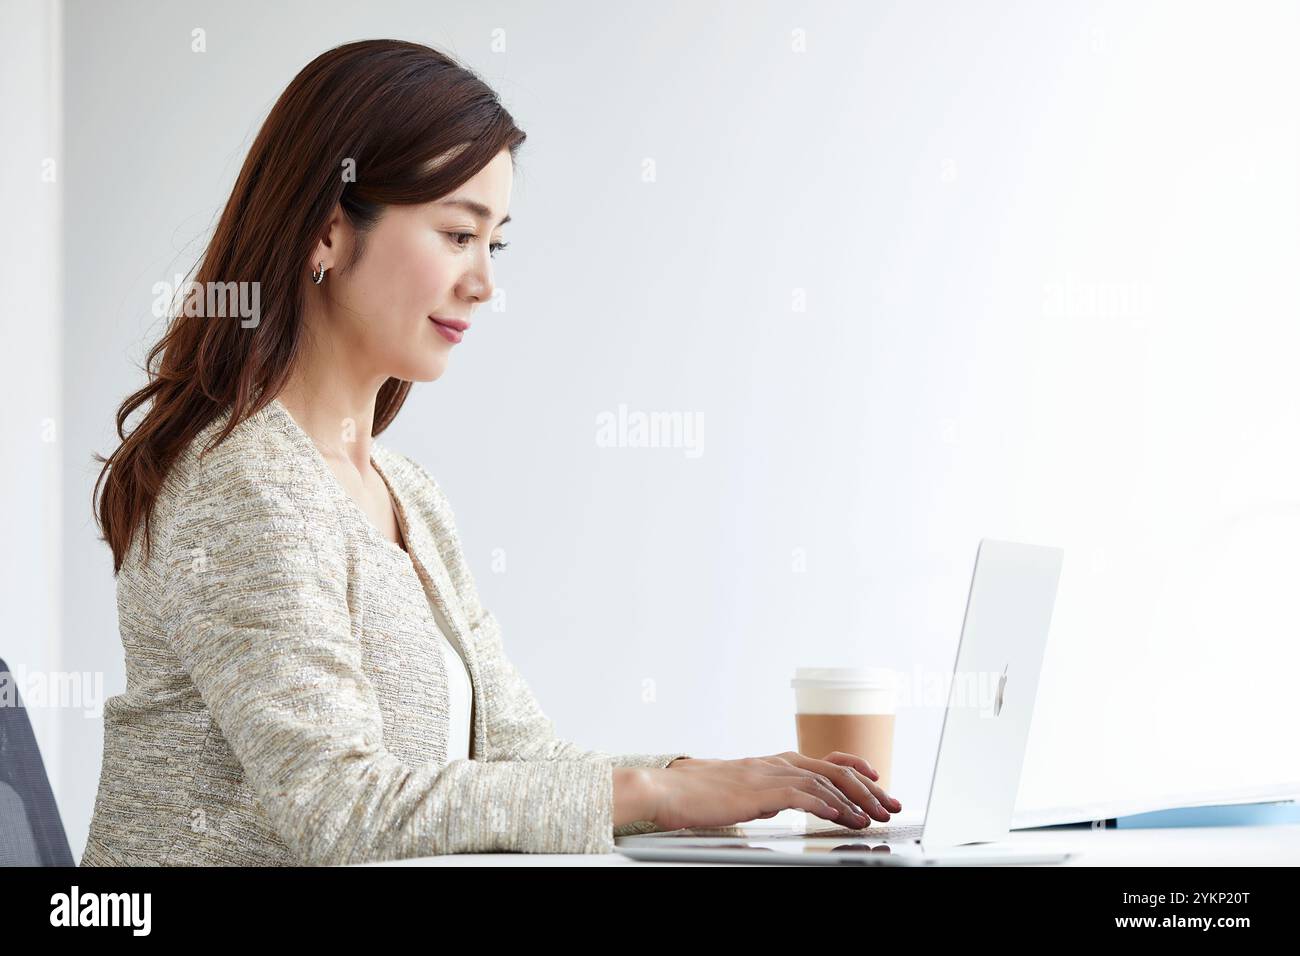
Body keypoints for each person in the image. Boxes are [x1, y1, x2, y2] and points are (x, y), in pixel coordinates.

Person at [83, 38, 900, 866]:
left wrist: (709, 781)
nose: (484, 284)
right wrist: (658, 795)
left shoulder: (407, 495)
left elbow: (517, 758)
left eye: (494, 243)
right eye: (457, 234)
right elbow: (339, 808)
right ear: (328, 232)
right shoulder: (241, 482)